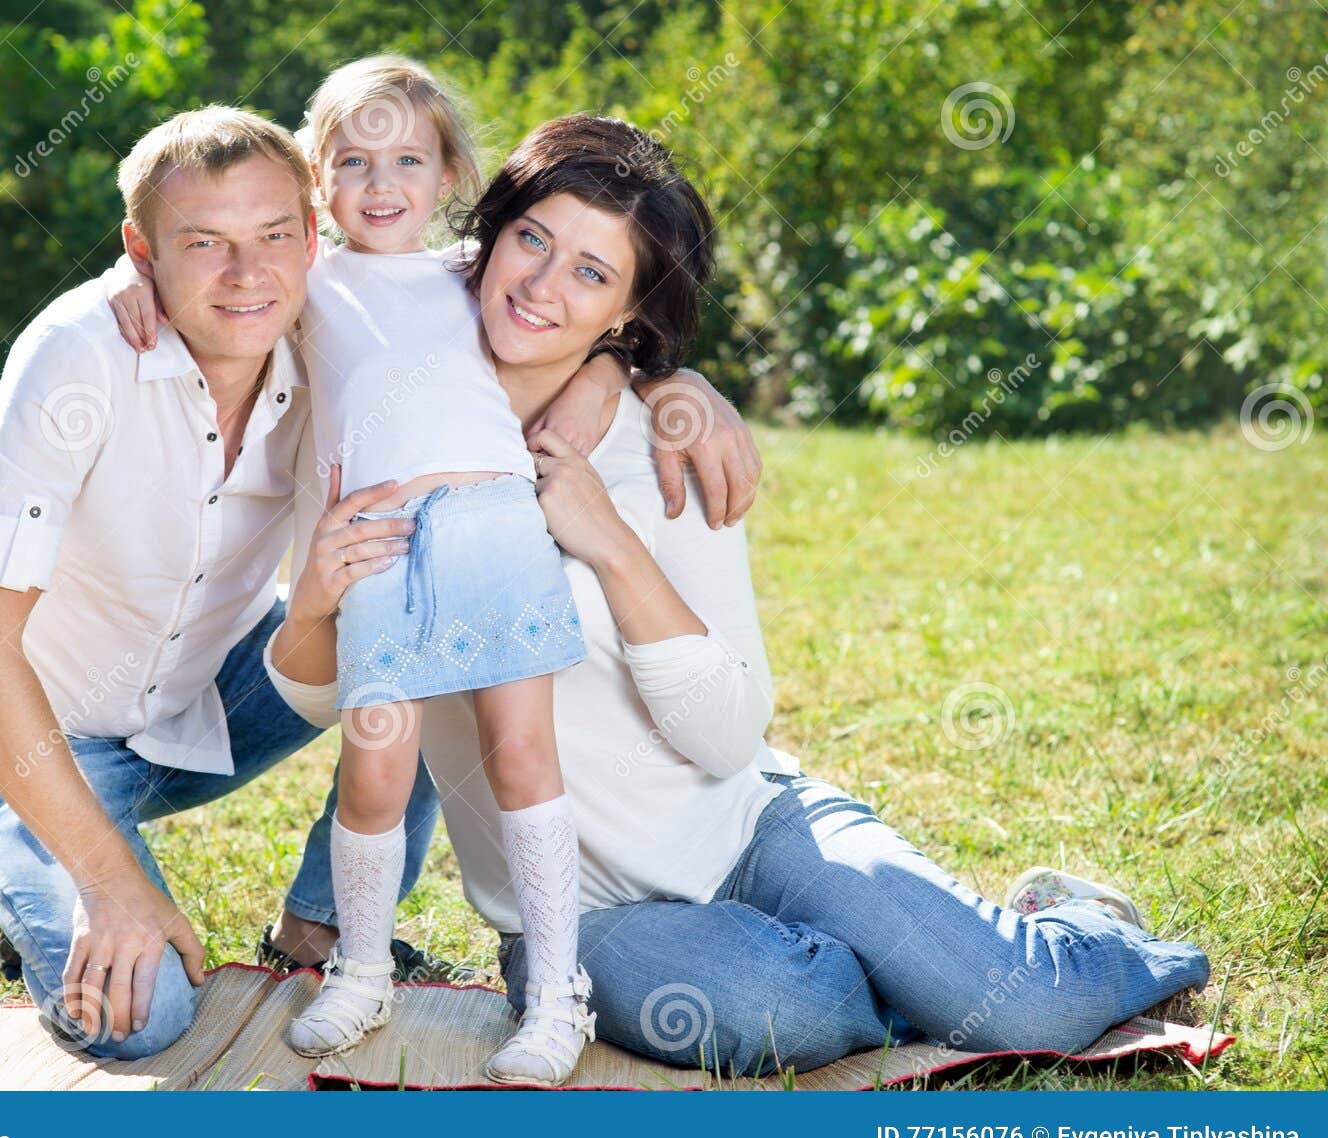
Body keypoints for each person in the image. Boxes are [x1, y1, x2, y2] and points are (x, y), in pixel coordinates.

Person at [265, 113, 1213, 1078]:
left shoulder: (667, 440)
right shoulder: (375, 418)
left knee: (1034, 1000)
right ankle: (923, 971)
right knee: (778, 1010)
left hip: (754, 826)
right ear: (489, 238)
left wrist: (609, 538)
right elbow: (318, 694)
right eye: (532, 240)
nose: (543, 287)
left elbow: (728, 734)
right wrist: (312, 604)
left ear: (627, 319)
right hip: (585, 923)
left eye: (592, 274)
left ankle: (1066, 929)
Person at [0, 103, 758, 1063]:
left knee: (413, 656)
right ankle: (61, 863)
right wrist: (109, 882)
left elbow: (548, 304)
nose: (246, 275)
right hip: (35, 739)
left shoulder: (324, 316)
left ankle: (322, 935)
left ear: (312, 231)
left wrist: (656, 377)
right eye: (203, 244)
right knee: (140, 1016)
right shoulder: (83, 353)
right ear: (144, 251)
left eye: (275, 237)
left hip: (215, 696)